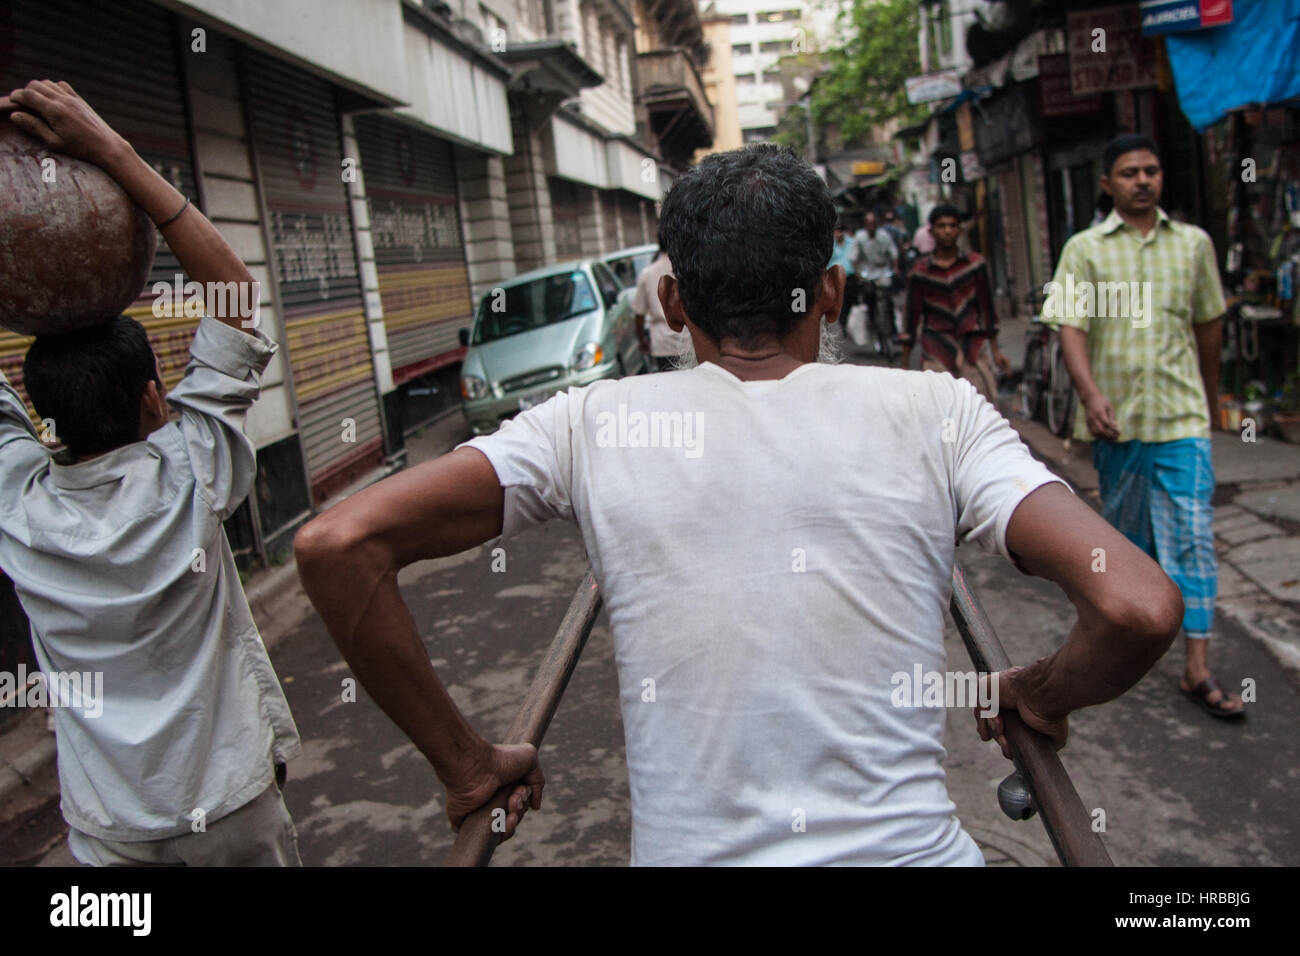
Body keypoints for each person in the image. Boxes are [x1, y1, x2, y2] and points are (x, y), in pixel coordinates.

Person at [294, 143, 1184, 866]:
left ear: (674, 305)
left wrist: (466, 764)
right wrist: (1040, 692)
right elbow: (1137, 607)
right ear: (831, 293)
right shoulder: (937, 411)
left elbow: (338, 545)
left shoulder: (590, 425)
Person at [0, 81, 302, 864]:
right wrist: (110, 151)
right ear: (150, 397)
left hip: (112, 834)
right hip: (233, 806)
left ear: (41, 423)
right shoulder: (192, 471)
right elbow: (235, 296)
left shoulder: (17, 506)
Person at [1049, 133, 1242, 719]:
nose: (1143, 180)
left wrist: (1210, 404)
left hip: (1180, 421)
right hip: (1118, 427)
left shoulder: (1194, 246)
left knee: (1191, 537)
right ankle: (1125, 647)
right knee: (1130, 547)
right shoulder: (1084, 250)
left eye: (1152, 170)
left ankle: (1198, 669)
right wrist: (1089, 394)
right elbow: (1070, 326)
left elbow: (1209, 326)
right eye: (1130, 172)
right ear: (1107, 183)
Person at [901, 204, 1010, 397]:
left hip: (973, 346)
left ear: (959, 230)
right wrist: (905, 364)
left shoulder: (975, 264)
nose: (947, 231)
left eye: (952, 226)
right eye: (942, 226)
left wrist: (996, 350)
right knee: (940, 412)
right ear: (932, 231)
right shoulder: (920, 272)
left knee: (980, 407)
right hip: (936, 347)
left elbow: (987, 307)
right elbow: (912, 317)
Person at [632, 248, 688, 371]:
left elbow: (639, 314)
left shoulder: (647, 273)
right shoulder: (688, 267)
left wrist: (642, 340)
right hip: (688, 342)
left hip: (662, 345)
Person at [851, 212, 899, 346]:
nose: (871, 227)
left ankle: (893, 331)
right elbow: (854, 257)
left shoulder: (884, 236)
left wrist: (895, 267)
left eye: (873, 224)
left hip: (883, 272)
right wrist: (858, 272)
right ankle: (874, 328)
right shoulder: (860, 237)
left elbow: (893, 253)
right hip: (868, 274)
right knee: (870, 301)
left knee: (888, 302)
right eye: (869, 224)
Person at [827, 225, 857, 330]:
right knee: (841, 302)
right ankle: (843, 323)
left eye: (840, 231)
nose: (838, 234)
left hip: (850, 277)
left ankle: (848, 322)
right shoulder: (830, 245)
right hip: (835, 279)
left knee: (851, 301)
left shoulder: (852, 243)